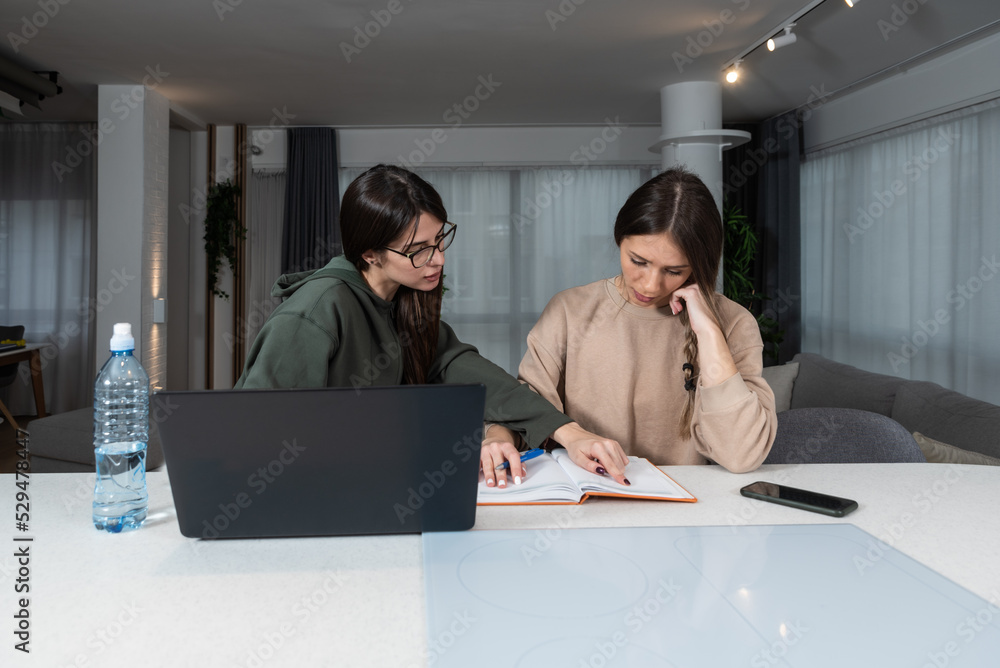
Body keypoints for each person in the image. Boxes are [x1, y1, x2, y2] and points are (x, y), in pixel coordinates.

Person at [235, 164, 630, 486]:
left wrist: (569, 432)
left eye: (440, 239)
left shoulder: (403, 302)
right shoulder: (316, 311)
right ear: (369, 254)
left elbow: (472, 373)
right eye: (418, 250)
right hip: (313, 495)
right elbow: (258, 432)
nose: (438, 258)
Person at [504, 167, 777, 473]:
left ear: (699, 265)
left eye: (674, 271)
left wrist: (710, 335)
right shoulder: (569, 311)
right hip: (588, 497)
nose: (649, 285)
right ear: (619, 239)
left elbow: (742, 455)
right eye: (638, 261)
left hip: (687, 508)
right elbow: (524, 411)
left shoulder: (734, 324)